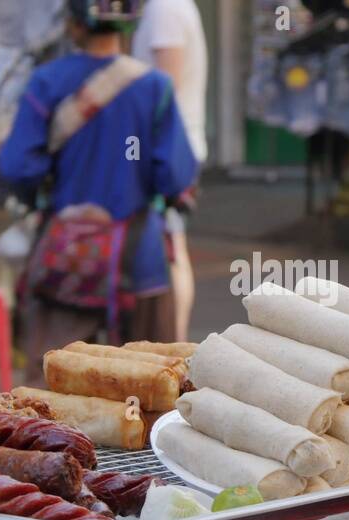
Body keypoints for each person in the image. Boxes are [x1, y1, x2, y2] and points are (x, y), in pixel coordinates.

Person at [0, 0, 198, 383]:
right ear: (129, 27)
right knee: (158, 381)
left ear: (73, 25)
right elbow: (175, 176)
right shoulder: (155, 87)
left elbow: (17, 166)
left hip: (68, 262)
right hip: (141, 261)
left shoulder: (47, 82)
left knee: (52, 387)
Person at [131, 0, 208, 342]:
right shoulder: (165, 7)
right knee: (171, 247)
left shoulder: (164, 9)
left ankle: (174, 345)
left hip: (169, 151)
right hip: (168, 148)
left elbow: (165, 92)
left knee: (170, 250)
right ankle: (172, 345)